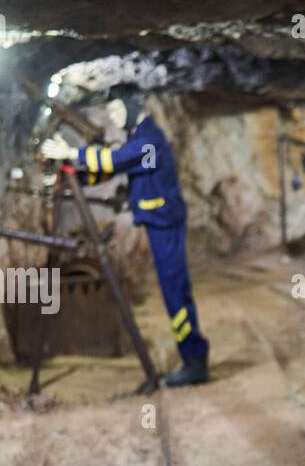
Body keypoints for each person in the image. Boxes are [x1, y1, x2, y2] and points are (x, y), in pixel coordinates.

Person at [41, 91, 210, 387]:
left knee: (175, 290)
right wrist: (75, 177)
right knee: (173, 288)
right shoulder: (140, 139)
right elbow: (115, 168)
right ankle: (192, 357)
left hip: (165, 221)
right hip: (160, 221)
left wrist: (71, 154)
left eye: (118, 109)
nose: (115, 117)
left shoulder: (150, 140)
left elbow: (116, 159)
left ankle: (195, 360)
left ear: (132, 108)